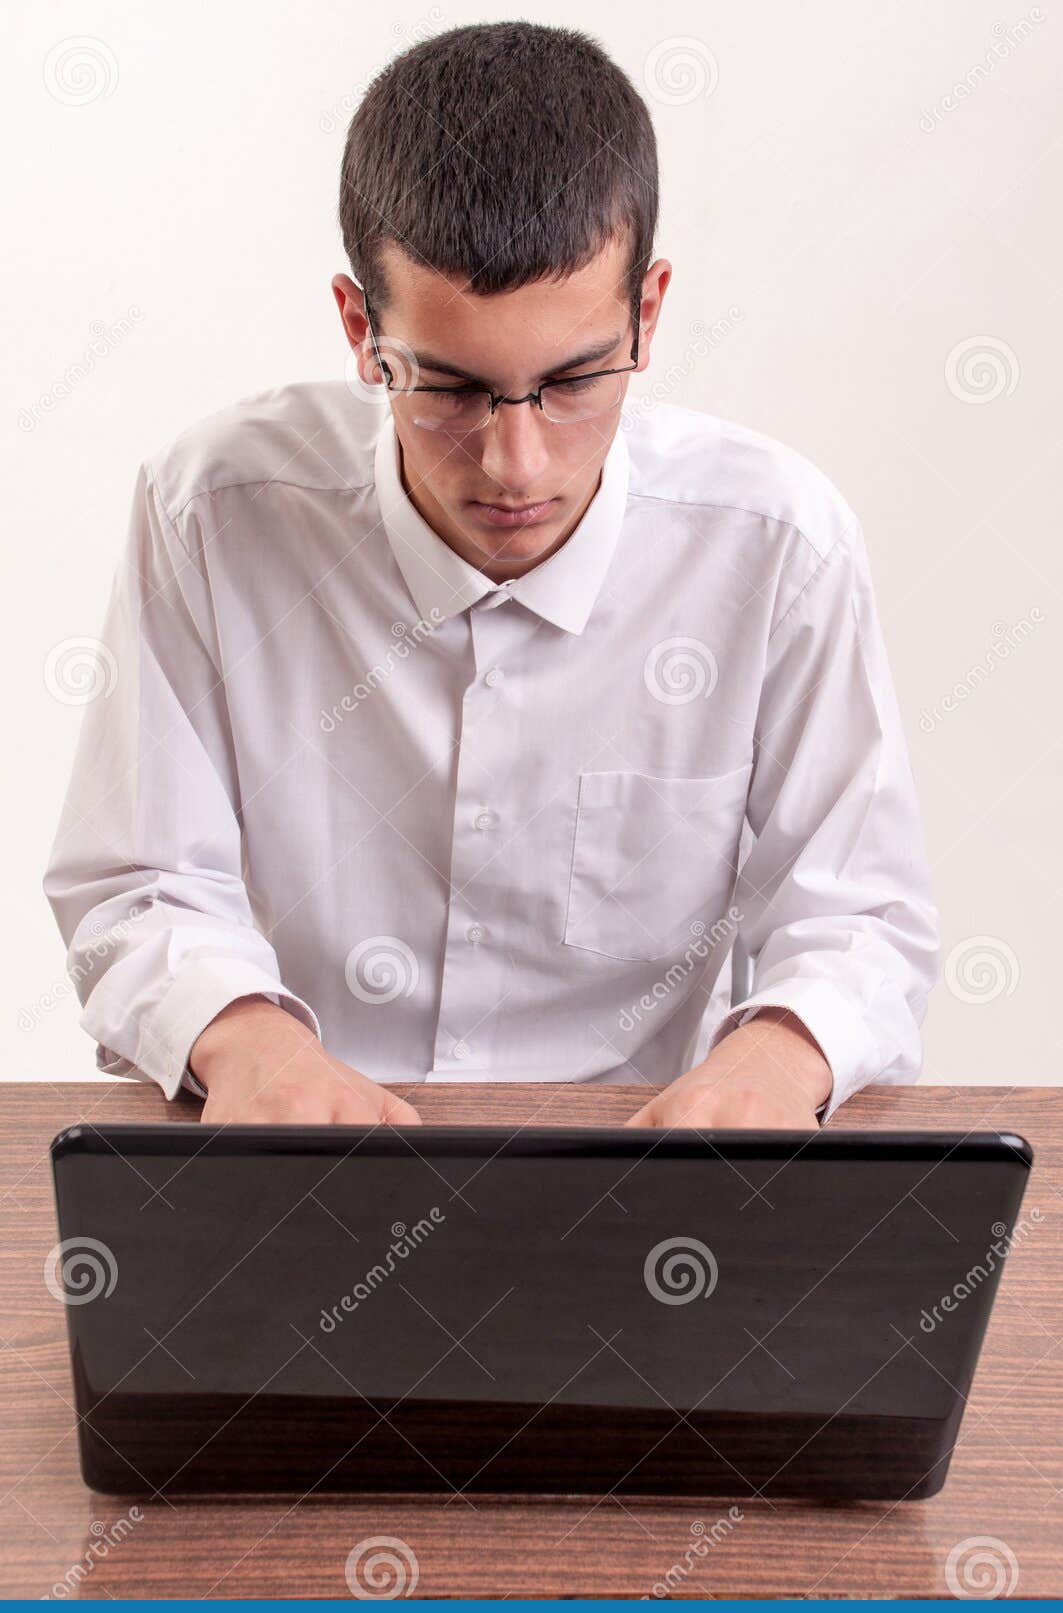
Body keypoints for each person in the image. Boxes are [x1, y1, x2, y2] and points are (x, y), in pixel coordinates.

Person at [42, 21, 939, 1130]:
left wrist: (779, 1055)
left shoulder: (776, 544)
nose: (517, 464)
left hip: (637, 1189)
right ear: (360, 329)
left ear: (646, 313)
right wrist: (245, 1041)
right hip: (291, 1176)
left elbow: (860, 918)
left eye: (572, 380)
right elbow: (137, 880)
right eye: (451, 389)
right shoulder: (212, 514)